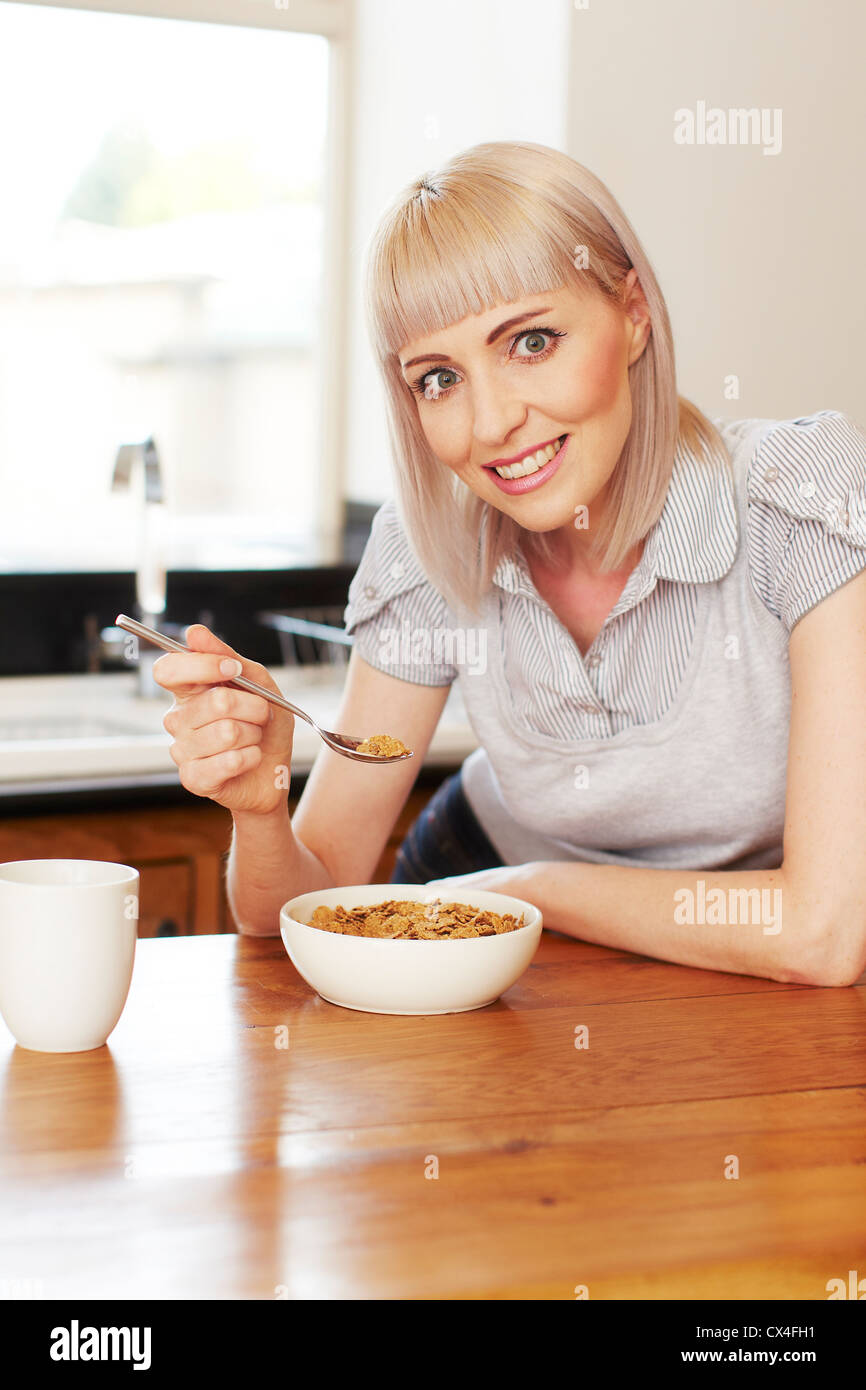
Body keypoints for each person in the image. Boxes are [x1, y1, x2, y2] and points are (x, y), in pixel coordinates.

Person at [154, 141, 866, 987]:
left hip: (647, 930)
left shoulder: (798, 497)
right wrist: (263, 806)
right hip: (484, 904)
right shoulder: (425, 553)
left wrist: (533, 890)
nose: (491, 423)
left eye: (531, 341)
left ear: (633, 312)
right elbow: (290, 918)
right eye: (439, 379)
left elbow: (821, 937)